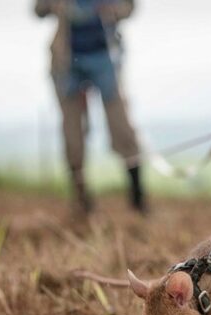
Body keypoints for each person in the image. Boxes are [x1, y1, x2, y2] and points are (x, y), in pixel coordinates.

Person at [34, 0, 144, 214]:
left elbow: (129, 8)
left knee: (121, 126)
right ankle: (81, 198)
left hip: (105, 57)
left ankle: (137, 197)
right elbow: (39, 10)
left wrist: (112, 10)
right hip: (66, 61)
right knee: (72, 133)